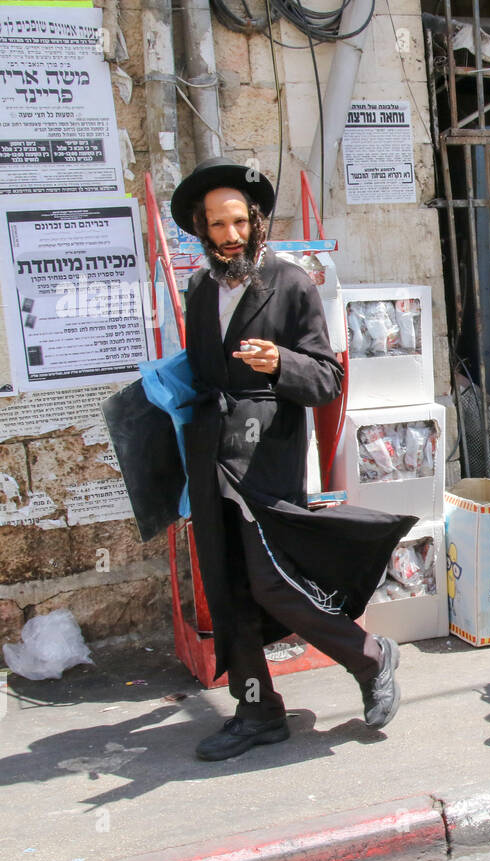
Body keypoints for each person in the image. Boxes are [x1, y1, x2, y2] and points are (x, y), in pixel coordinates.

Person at [170, 158, 417, 761]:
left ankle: (371, 656)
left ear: (255, 222)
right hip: (211, 454)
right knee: (229, 588)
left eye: (239, 222)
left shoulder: (291, 282)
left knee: (273, 582)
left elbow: (329, 379)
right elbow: (200, 373)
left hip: (267, 456)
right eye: (217, 225)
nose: (230, 236)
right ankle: (257, 711)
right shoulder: (200, 290)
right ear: (202, 231)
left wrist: (279, 363)